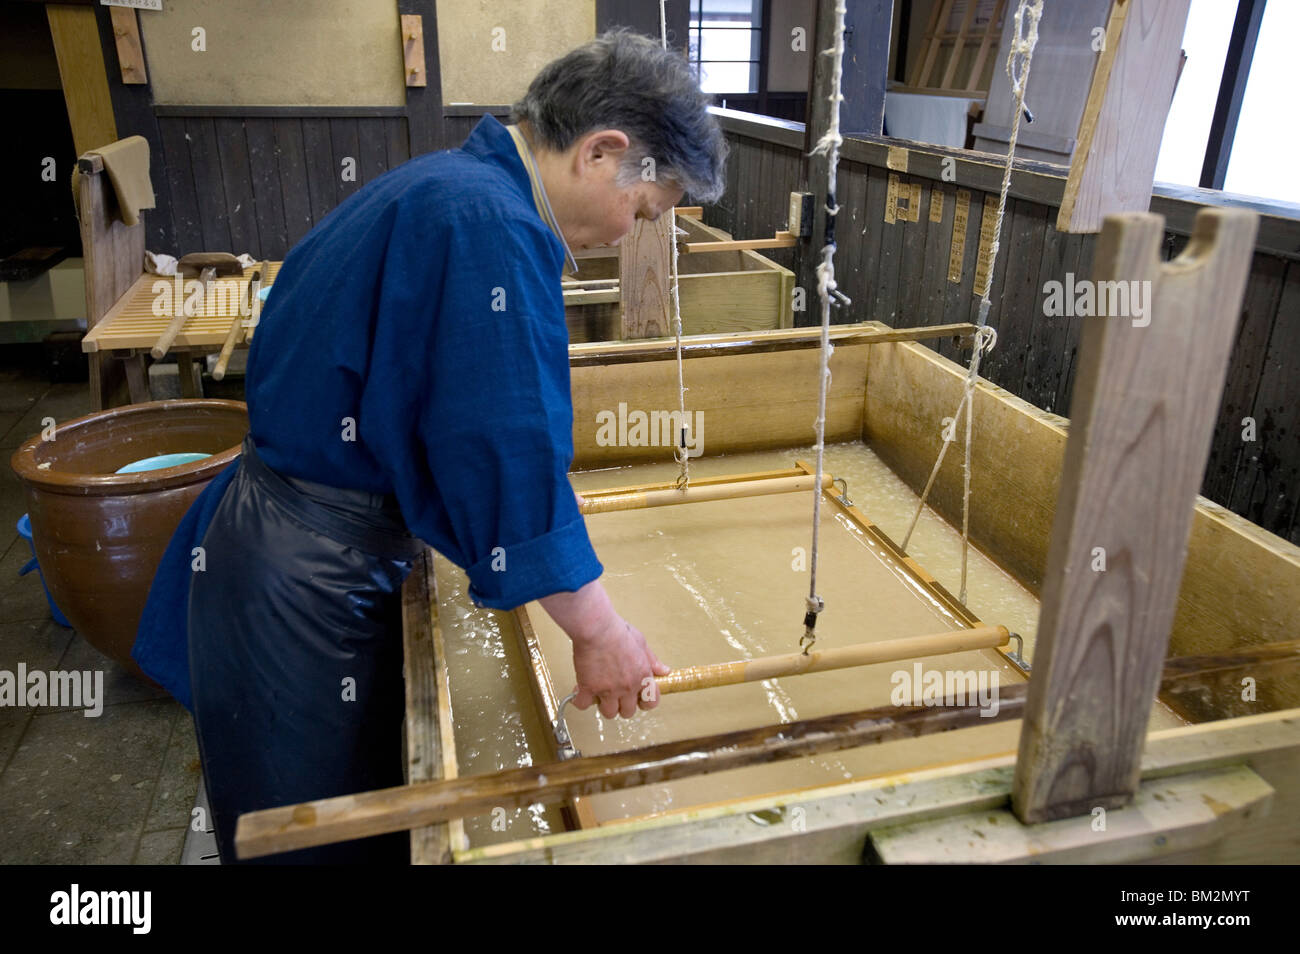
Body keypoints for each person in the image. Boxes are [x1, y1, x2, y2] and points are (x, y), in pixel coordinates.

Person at [131, 30, 728, 864]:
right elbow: (499, 441)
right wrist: (598, 629)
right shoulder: (488, 224)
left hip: (280, 537)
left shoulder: (450, 186)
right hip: (307, 579)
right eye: (645, 210)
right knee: (315, 838)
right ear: (603, 152)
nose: (632, 232)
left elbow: (449, 416)